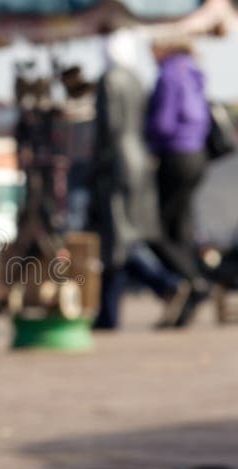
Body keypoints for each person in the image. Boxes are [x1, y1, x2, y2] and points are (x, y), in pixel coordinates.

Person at [88, 30, 190, 329]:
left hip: (116, 166)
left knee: (119, 240)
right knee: (120, 240)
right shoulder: (135, 79)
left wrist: (94, 169)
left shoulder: (110, 81)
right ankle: (108, 314)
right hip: (138, 162)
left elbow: (109, 129)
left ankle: (164, 283)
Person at [145, 36, 211, 325]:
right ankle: (188, 296)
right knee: (180, 230)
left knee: (154, 230)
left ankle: (194, 281)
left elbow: (163, 122)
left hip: (175, 154)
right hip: (196, 154)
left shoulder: (170, 72)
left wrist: (145, 135)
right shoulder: (194, 71)